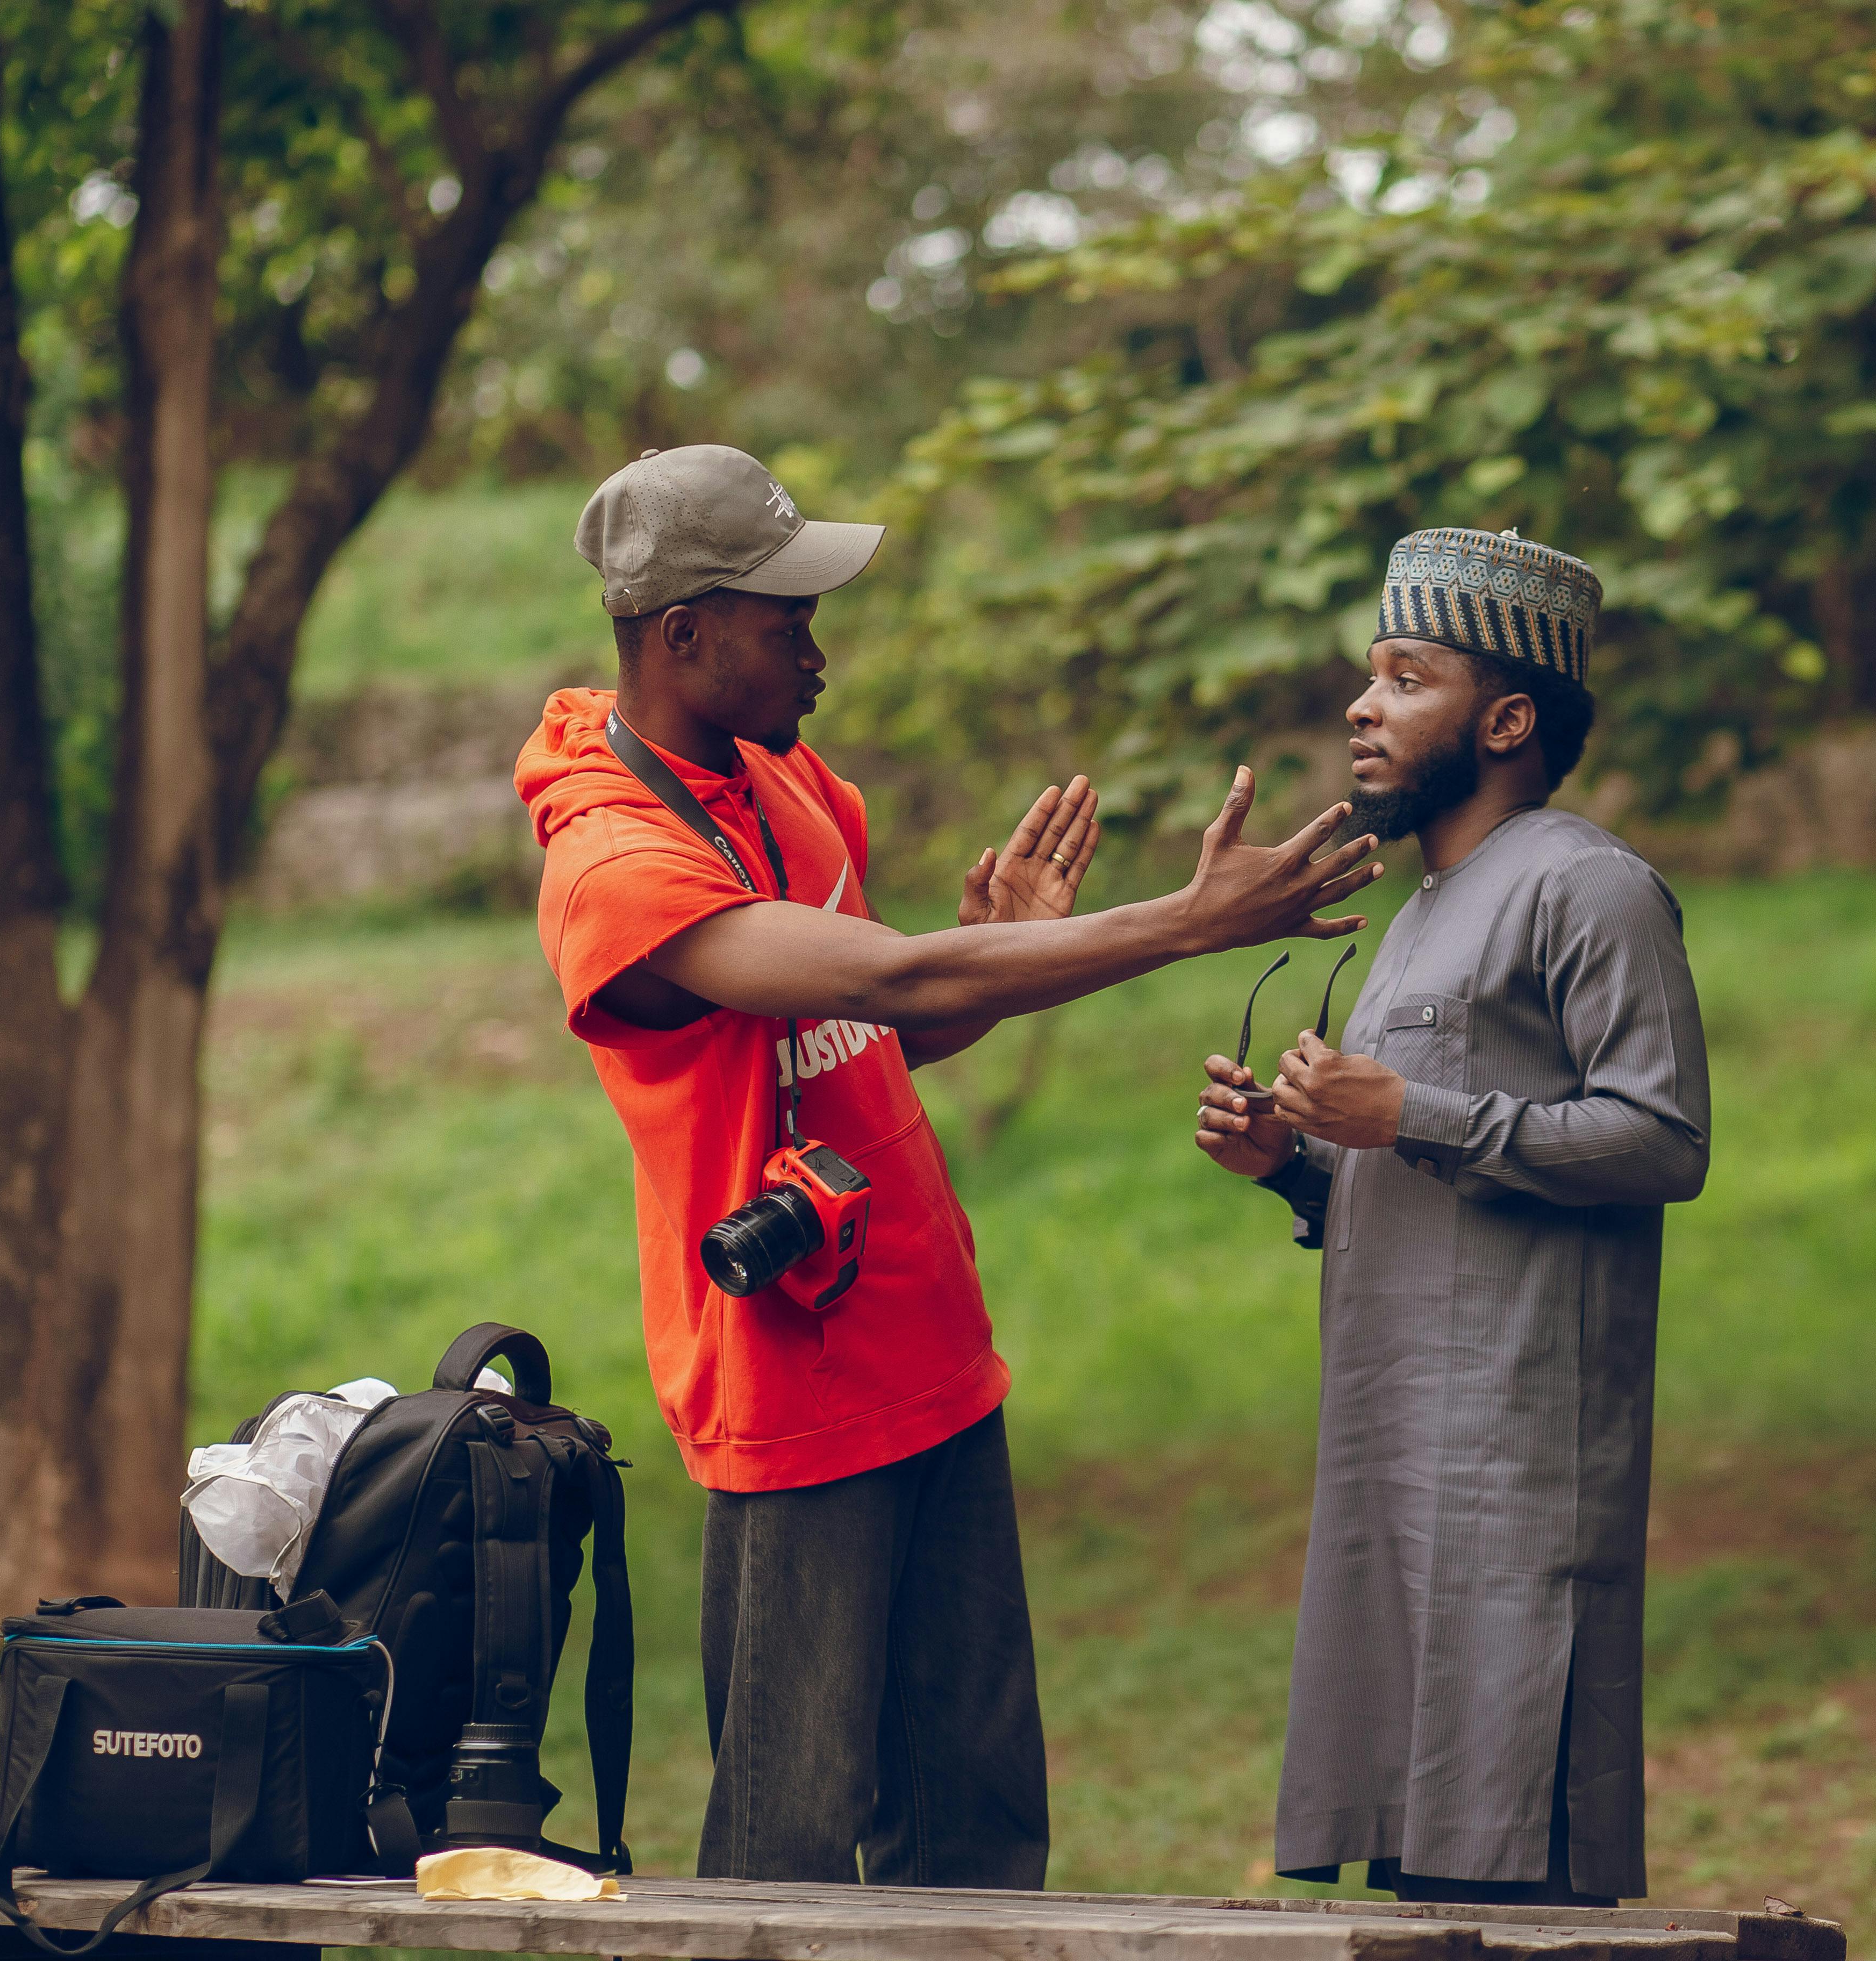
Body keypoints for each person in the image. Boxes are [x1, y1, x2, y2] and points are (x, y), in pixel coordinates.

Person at [515, 443, 1380, 1891]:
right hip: (795, 1390)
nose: (818, 648)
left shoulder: (785, 781)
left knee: (977, 1827)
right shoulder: (616, 867)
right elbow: (902, 975)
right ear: (683, 635)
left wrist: (1004, 957)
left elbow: (884, 1027)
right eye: (786, 617)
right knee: (785, 1848)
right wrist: (1185, 921)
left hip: (932, 1351)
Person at [1193, 527, 1711, 1906]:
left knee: (1516, 1874)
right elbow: (1418, 1167)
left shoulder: (1587, 886)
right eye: (1368, 678)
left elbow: (1663, 1140)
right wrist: (1297, 1169)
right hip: (1391, 1458)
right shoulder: (1419, 909)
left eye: (1404, 677)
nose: (1363, 706)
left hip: (1515, 1467)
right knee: (1426, 1884)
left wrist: (1407, 1112)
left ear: (1508, 716)